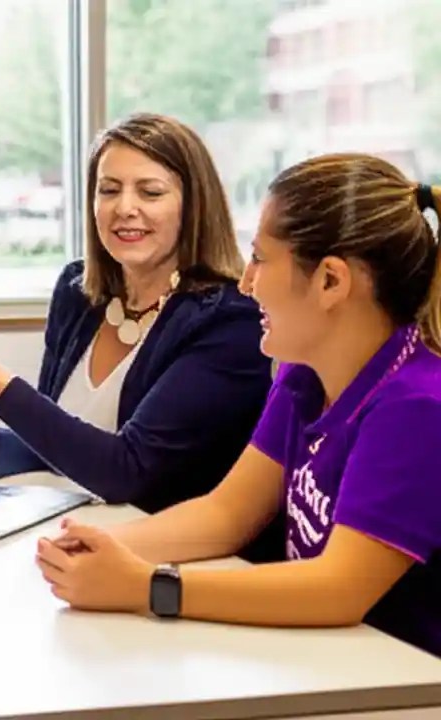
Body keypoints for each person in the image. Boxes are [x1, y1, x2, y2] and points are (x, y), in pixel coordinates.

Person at [35, 153, 441, 659]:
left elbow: (338, 588)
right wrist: (98, 547)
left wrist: (147, 587)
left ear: (331, 282)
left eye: (261, 259)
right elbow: (229, 513)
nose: (246, 283)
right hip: (329, 662)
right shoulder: (305, 373)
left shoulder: (418, 406)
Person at [0, 114, 275, 542]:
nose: (124, 207)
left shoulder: (230, 320)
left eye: (150, 192)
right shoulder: (78, 293)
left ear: (194, 206)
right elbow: (67, 446)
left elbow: (128, 473)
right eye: (108, 190)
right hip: (77, 538)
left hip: (164, 560)